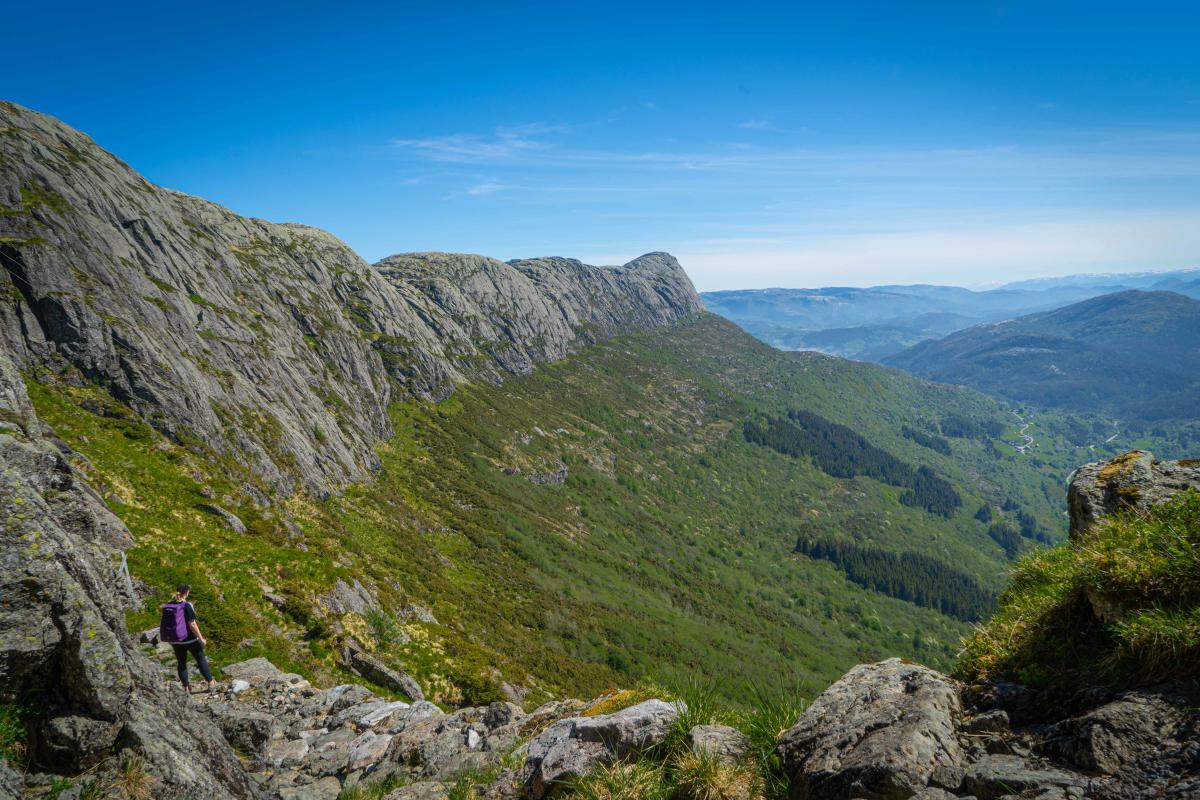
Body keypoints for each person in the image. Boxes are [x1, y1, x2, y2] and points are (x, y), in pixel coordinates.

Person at [160, 583, 216, 693]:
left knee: (181, 663)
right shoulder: (186, 605)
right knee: (200, 659)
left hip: (175, 640)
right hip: (189, 639)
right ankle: (211, 682)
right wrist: (201, 638)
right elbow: (192, 624)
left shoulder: (169, 605)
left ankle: (186, 688)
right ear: (186, 592)